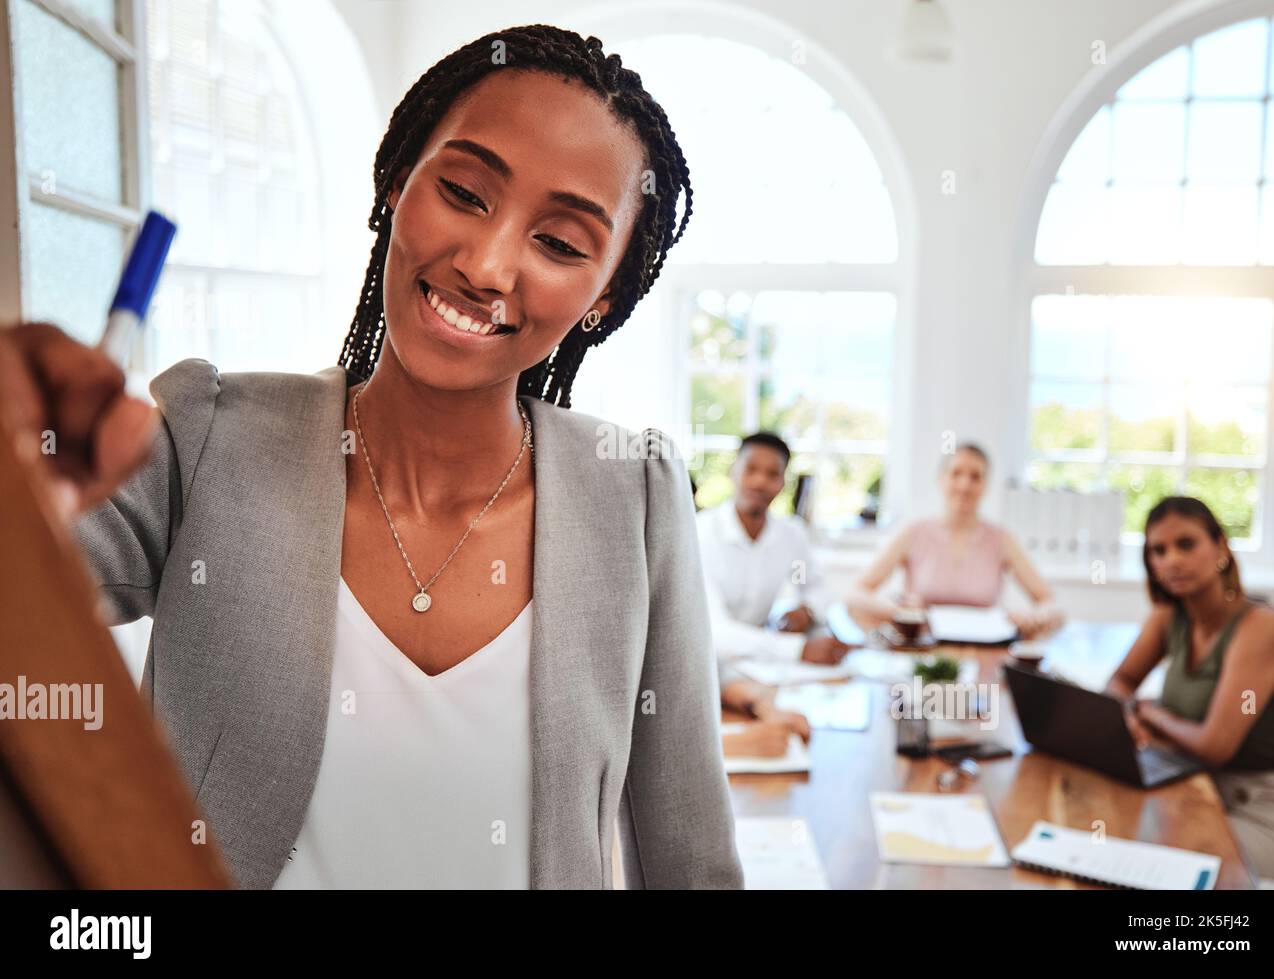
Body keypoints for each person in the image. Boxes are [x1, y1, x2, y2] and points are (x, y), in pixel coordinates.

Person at [0, 26, 742, 890]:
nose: (488, 264)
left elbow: (689, 860)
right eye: (464, 191)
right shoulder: (206, 436)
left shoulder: (635, 495)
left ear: (603, 295)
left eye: (562, 244)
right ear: (397, 182)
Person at [1106, 496, 1274, 881]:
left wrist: (1153, 712)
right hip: (1199, 786)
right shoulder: (1169, 618)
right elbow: (1120, 682)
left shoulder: (1261, 628)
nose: (1171, 560)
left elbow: (1216, 746)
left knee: (1160, 866)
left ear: (1221, 547)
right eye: (1158, 550)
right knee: (1109, 828)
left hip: (1270, 807)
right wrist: (1129, 713)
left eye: (1186, 544)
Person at [846, 442, 1062, 637]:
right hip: (923, 654)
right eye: (956, 473)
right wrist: (898, 611)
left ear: (985, 485)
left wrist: (1032, 617)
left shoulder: (1001, 540)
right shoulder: (913, 534)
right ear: (941, 479)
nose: (965, 485)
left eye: (975, 476)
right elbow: (856, 593)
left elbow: (1050, 604)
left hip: (983, 655)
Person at [695, 432, 850, 665]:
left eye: (772, 474)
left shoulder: (791, 536)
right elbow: (714, 632)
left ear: (782, 483)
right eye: (751, 469)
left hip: (761, 658)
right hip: (707, 661)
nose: (760, 482)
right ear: (733, 471)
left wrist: (806, 610)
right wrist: (799, 649)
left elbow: (817, 588)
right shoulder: (700, 533)